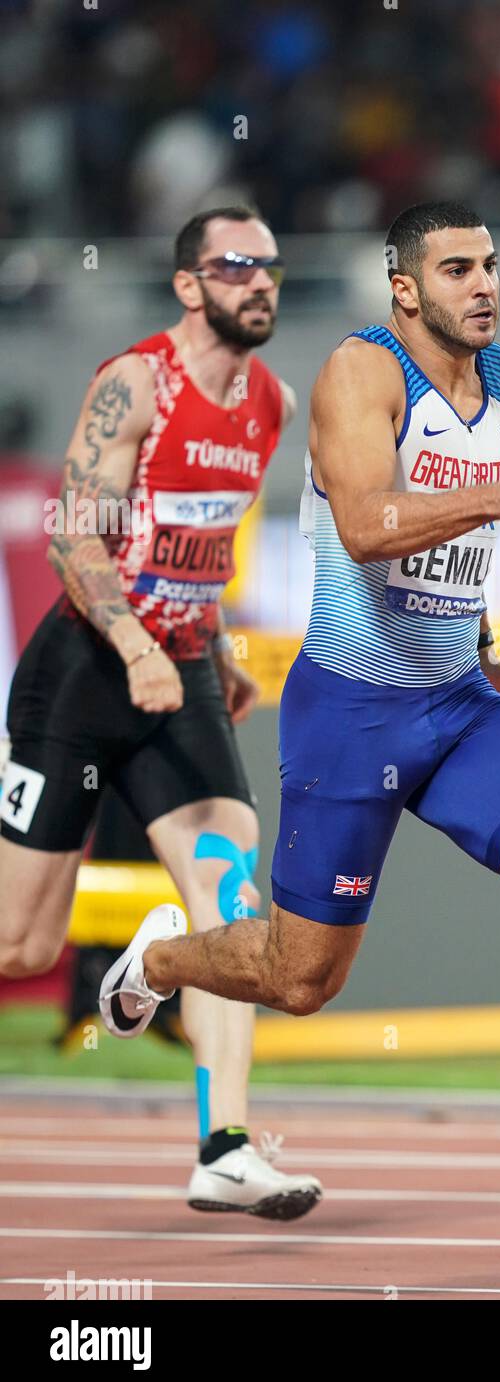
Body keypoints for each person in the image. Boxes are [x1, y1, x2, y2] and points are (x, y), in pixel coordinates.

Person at [101, 201, 500, 1193]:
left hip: (456, 702)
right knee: (301, 979)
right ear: (405, 289)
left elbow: (458, 547)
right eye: (457, 270)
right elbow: (363, 525)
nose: (483, 285)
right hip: (348, 707)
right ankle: (158, 966)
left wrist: (477, 639)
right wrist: (496, 500)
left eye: (490, 266)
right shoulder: (361, 371)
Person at [0, 206, 322, 1217]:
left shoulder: (268, 401)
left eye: (271, 268)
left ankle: (225, 1145)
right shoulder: (133, 383)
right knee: (24, 947)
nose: (259, 282)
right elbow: (73, 540)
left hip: (179, 673)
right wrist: (136, 646)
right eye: (236, 267)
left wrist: (210, 653)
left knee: (232, 902)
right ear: (188, 285)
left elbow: (207, 543)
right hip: (84, 670)